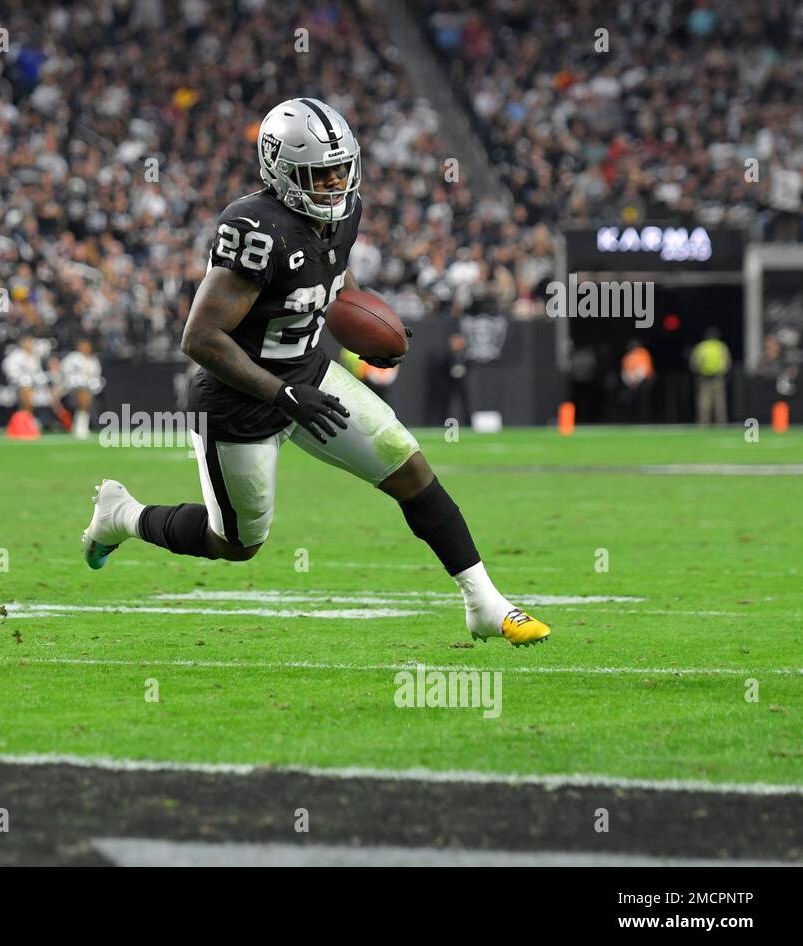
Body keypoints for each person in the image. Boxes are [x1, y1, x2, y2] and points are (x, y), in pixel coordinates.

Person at [80, 98, 549, 645]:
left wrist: (365, 339)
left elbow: (331, 289)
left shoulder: (344, 212)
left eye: (340, 169)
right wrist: (281, 395)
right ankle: (124, 516)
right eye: (318, 173)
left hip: (311, 377)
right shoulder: (255, 228)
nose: (333, 183)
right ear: (280, 170)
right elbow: (201, 338)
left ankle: (484, 603)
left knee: (410, 467)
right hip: (238, 399)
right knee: (236, 542)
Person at [59, 339, 104, 438]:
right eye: (83, 345)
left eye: (87, 346)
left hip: (87, 389)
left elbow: (96, 377)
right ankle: (80, 426)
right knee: (83, 394)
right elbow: (64, 371)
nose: (85, 348)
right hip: (70, 388)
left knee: (86, 396)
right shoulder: (73, 358)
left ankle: (81, 425)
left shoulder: (93, 361)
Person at [690, 327, 731, 425]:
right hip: (718, 377)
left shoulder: (702, 347)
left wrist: (698, 372)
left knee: (704, 402)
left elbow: (694, 362)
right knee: (719, 402)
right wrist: (724, 372)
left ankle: (703, 422)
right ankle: (721, 423)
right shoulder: (721, 347)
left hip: (704, 377)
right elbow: (727, 362)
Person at [619, 340, 655, 423]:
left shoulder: (643, 353)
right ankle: (632, 420)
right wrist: (630, 382)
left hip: (644, 382)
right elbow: (624, 373)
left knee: (644, 403)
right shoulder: (627, 357)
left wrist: (636, 380)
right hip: (631, 384)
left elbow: (643, 370)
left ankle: (644, 420)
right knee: (630, 402)